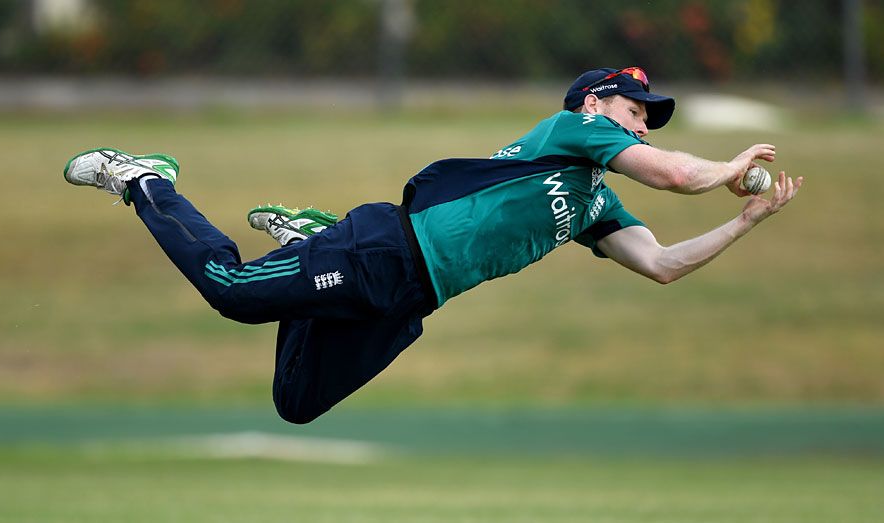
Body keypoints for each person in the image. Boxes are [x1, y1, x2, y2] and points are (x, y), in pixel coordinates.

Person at [63, 67, 802, 424]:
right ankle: (145, 181)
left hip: (412, 296)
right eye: (635, 110)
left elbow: (662, 264)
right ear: (594, 105)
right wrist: (729, 168)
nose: (641, 124)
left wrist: (741, 224)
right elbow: (675, 175)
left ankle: (309, 241)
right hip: (387, 248)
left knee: (296, 400)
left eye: (647, 117)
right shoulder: (571, 131)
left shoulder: (593, 204)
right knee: (230, 288)